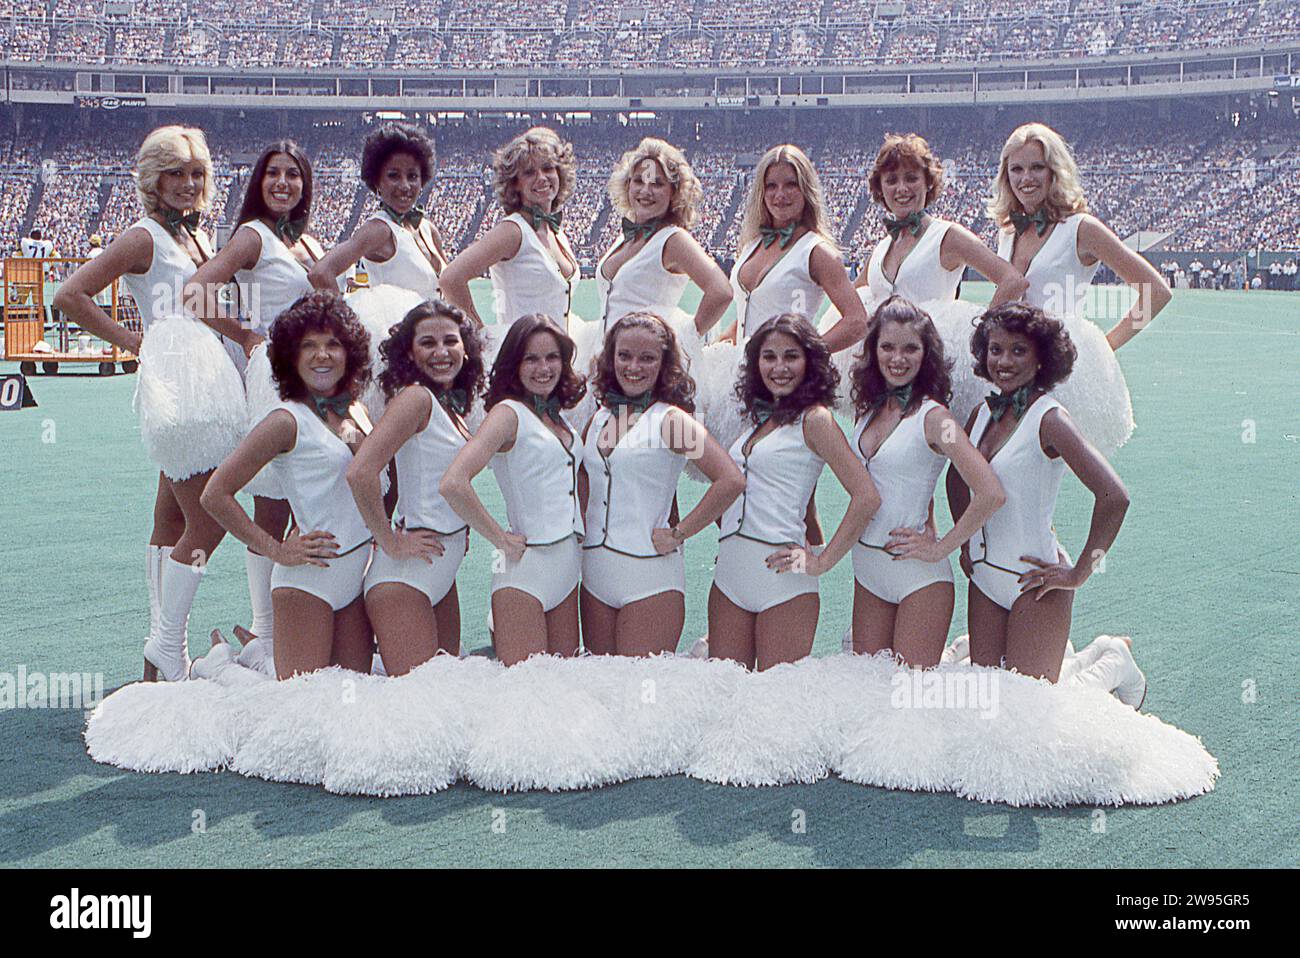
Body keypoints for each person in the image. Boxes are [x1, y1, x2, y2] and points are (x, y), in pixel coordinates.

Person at [52, 124, 245, 682]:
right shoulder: (144, 237)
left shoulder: (196, 236)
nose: (188, 184)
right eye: (176, 174)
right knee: (212, 520)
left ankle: (161, 658)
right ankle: (167, 644)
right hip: (184, 391)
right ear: (152, 180)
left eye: (196, 174)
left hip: (210, 383)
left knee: (169, 518)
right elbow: (68, 295)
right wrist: (137, 342)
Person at [183, 139, 329, 675]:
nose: (284, 183)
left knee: (306, 488)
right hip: (275, 372)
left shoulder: (306, 242)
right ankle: (265, 631)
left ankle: (287, 621)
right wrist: (245, 336)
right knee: (271, 497)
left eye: (294, 174)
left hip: (316, 375)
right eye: (274, 174)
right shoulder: (253, 235)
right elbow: (196, 290)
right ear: (259, 183)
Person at [946, 302, 1130, 683]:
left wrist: (1079, 572)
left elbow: (1114, 496)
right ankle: (1084, 655)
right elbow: (955, 477)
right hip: (984, 577)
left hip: (1036, 581)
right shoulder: (981, 413)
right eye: (996, 349)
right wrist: (965, 543)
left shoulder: (1050, 419)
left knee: (1032, 710)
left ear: (1042, 358)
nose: (1004, 361)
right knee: (989, 697)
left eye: (1018, 350)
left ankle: (1113, 660)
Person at [200, 291, 376, 679]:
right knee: (298, 707)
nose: (322, 355)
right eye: (308, 346)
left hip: (358, 575)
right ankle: (215, 670)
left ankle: (253, 653)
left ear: (350, 351)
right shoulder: (285, 420)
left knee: (353, 697)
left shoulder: (357, 410)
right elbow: (215, 493)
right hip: (307, 581)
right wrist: (276, 550)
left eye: (332, 344)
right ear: (290, 356)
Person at [708, 314, 879, 672]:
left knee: (776, 705)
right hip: (729, 577)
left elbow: (866, 496)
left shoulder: (815, 420)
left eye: (791, 356)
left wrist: (822, 561)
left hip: (783, 583)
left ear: (810, 362)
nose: (779, 367)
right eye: (769, 356)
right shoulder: (759, 419)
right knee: (724, 695)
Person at [990, 122, 1172, 456]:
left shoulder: (1081, 228)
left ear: (1054, 172)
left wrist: (1103, 347)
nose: (1025, 178)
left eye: (1036, 168)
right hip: (1009, 368)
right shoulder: (1007, 231)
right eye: (1016, 169)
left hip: (1055, 372)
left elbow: (1156, 291)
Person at [846, 297, 1005, 667]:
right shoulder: (869, 408)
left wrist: (941, 547)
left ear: (926, 354)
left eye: (910, 349)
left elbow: (990, 492)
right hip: (866, 569)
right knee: (868, 690)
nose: (897, 358)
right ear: (873, 351)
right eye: (887, 347)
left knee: (910, 700)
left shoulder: (936, 418)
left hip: (919, 579)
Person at [578, 312, 744, 657]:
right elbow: (582, 476)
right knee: (600, 686)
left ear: (664, 363)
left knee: (642, 696)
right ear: (610, 358)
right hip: (593, 576)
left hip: (650, 579)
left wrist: (679, 533)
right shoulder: (599, 417)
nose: (633, 366)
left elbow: (729, 479)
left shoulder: (672, 420)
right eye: (624, 355)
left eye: (647, 357)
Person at [697, 144, 871, 470]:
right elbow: (748, 309)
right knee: (735, 486)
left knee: (790, 495)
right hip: (741, 375)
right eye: (772, 185)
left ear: (806, 190)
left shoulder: (816, 251)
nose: (780, 194)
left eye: (791, 184)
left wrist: (802, 354)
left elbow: (857, 321)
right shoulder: (752, 244)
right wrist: (722, 345)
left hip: (785, 382)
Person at [346, 300, 486, 675]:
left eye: (450, 341)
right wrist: (389, 540)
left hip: (441, 567)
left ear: (465, 348)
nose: (441, 352)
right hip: (406, 578)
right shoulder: (415, 398)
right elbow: (360, 472)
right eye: (428, 343)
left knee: (444, 687)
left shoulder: (446, 404)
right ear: (409, 352)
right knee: (417, 704)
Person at [848, 133, 1027, 423]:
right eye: (891, 180)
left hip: (930, 374)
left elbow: (1013, 281)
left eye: (911, 178)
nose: (901, 188)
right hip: (883, 374)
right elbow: (852, 299)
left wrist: (978, 339)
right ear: (880, 188)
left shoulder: (946, 236)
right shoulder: (882, 246)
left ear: (928, 182)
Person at [439, 314, 585, 666]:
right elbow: (453, 483)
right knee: (525, 694)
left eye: (552, 357)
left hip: (567, 568)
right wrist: (499, 538)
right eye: (531, 359)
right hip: (522, 571)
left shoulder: (557, 416)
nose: (543, 368)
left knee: (563, 684)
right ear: (514, 364)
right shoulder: (507, 414)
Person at [439, 127, 578, 342]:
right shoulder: (512, 231)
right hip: (522, 359)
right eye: (529, 172)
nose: (541, 178)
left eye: (548, 168)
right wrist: (482, 337)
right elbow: (450, 279)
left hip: (557, 359)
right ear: (515, 183)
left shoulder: (556, 233)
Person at [309, 122, 448, 300]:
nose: (405, 186)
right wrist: (343, 322)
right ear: (377, 182)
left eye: (412, 176)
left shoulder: (428, 229)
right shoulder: (379, 229)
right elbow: (320, 273)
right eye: (393, 176)